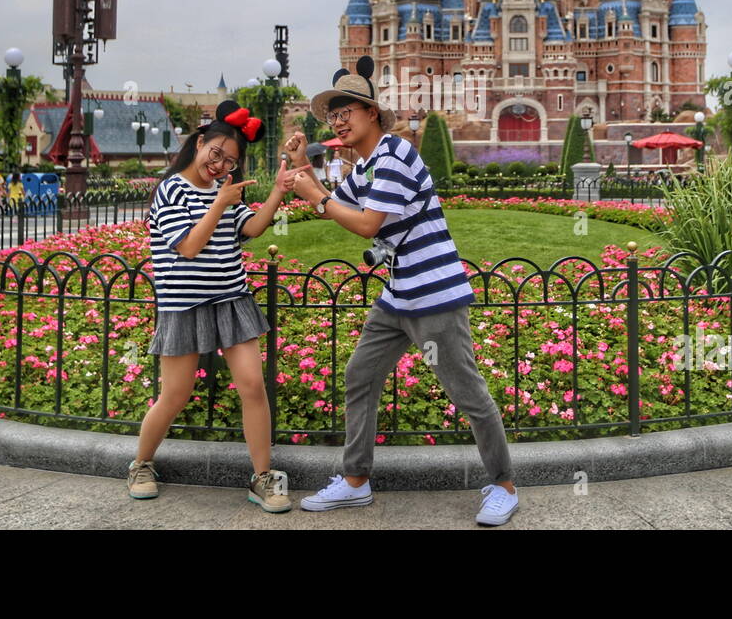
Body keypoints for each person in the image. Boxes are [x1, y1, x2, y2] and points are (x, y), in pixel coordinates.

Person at [283, 55, 519, 526]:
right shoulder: (367, 166)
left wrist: (316, 195)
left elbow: (365, 223)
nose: (337, 121)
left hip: (433, 295)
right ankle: (355, 481)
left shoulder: (395, 154)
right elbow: (333, 205)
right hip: (398, 296)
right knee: (360, 376)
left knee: (467, 393)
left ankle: (503, 485)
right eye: (332, 115)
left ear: (372, 112)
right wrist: (299, 166)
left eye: (345, 110)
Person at [128, 101, 303, 513]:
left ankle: (261, 478)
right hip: (184, 305)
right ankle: (140, 464)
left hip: (231, 299)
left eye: (230, 161)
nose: (221, 164)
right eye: (217, 153)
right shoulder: (172, 189)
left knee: (253, 386)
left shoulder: (223, 190)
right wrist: (219, 203)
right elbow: (189, 246)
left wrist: (277, 191)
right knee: (174, 394)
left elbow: (252, 229)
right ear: (200, 142)